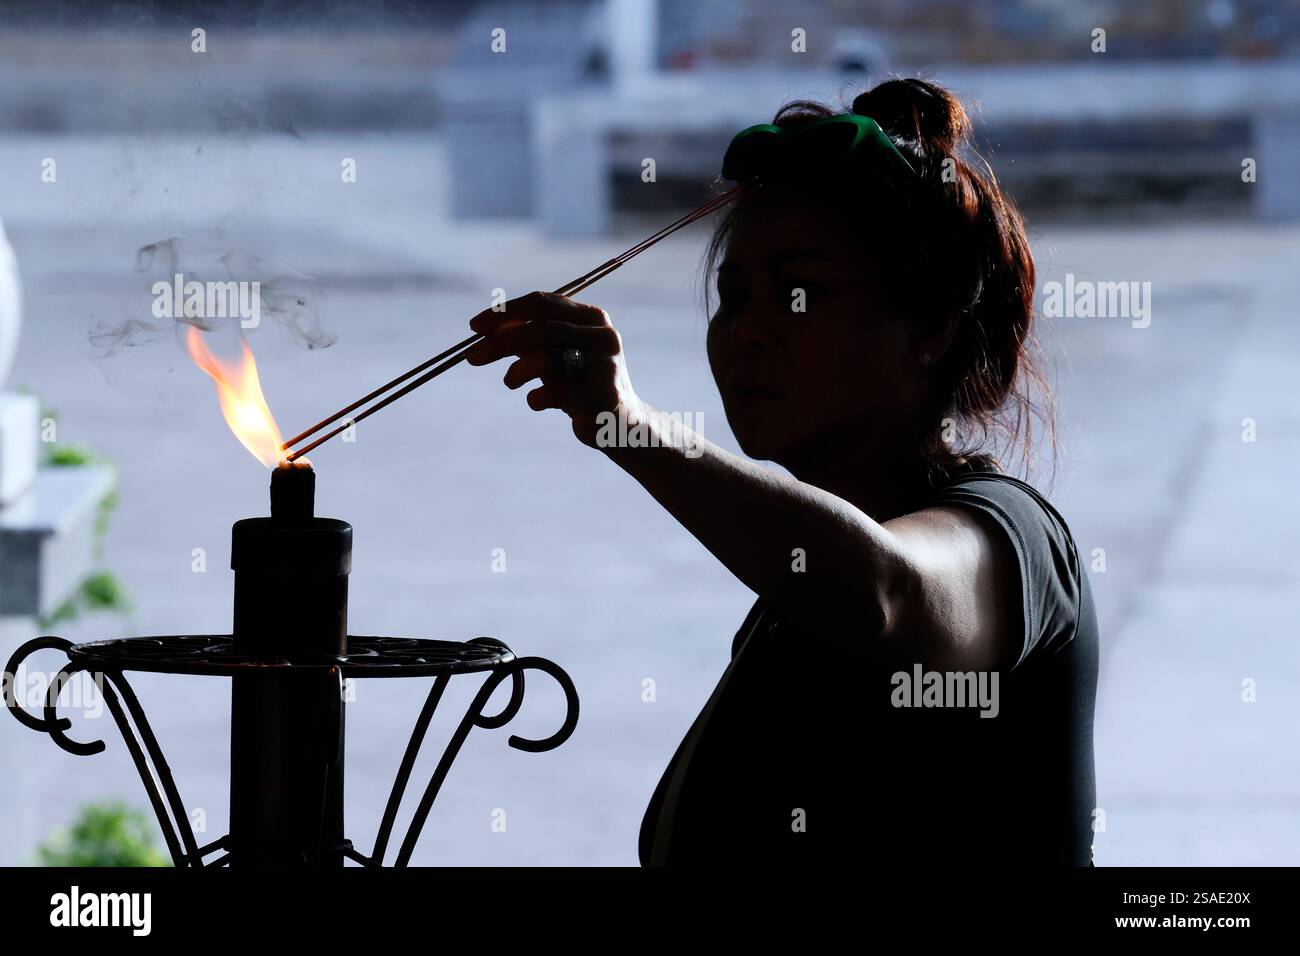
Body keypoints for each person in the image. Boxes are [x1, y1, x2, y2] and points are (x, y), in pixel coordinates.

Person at [464, 77, 1098, 867]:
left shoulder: (1012, 541)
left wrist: (626, 427)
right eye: (733, 295)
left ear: (929, 328)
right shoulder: (792, 594)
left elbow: (888, 591)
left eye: (799, 294)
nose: (748, 333)